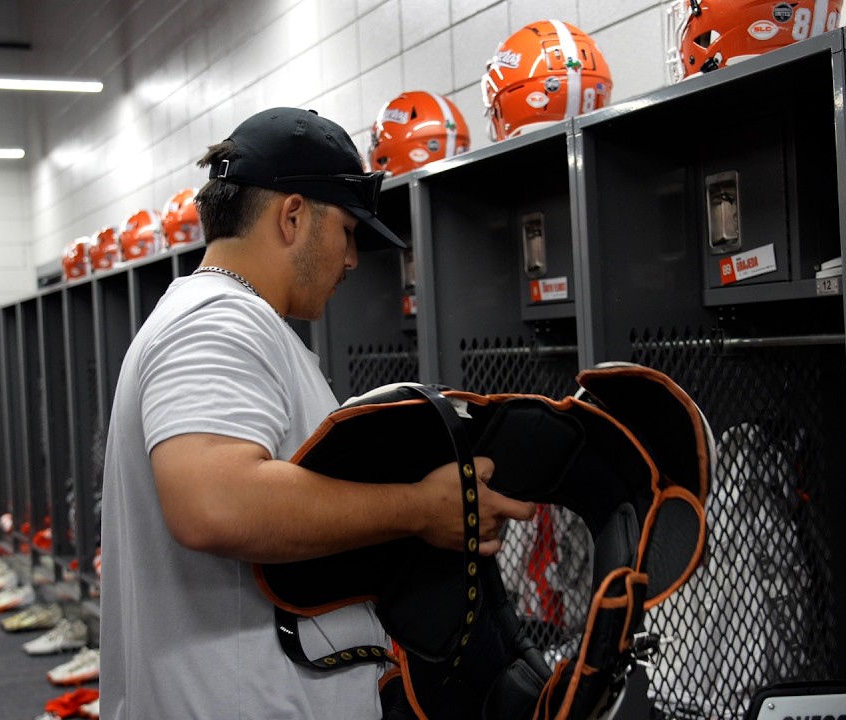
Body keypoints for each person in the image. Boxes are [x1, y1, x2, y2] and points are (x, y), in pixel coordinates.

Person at [98, 107, 536, 719]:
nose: (352, 260)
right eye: (348, 233)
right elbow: (214, 504)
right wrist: (423, 509)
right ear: (293, 215)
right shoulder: (220, 323)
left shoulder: (232, 320)